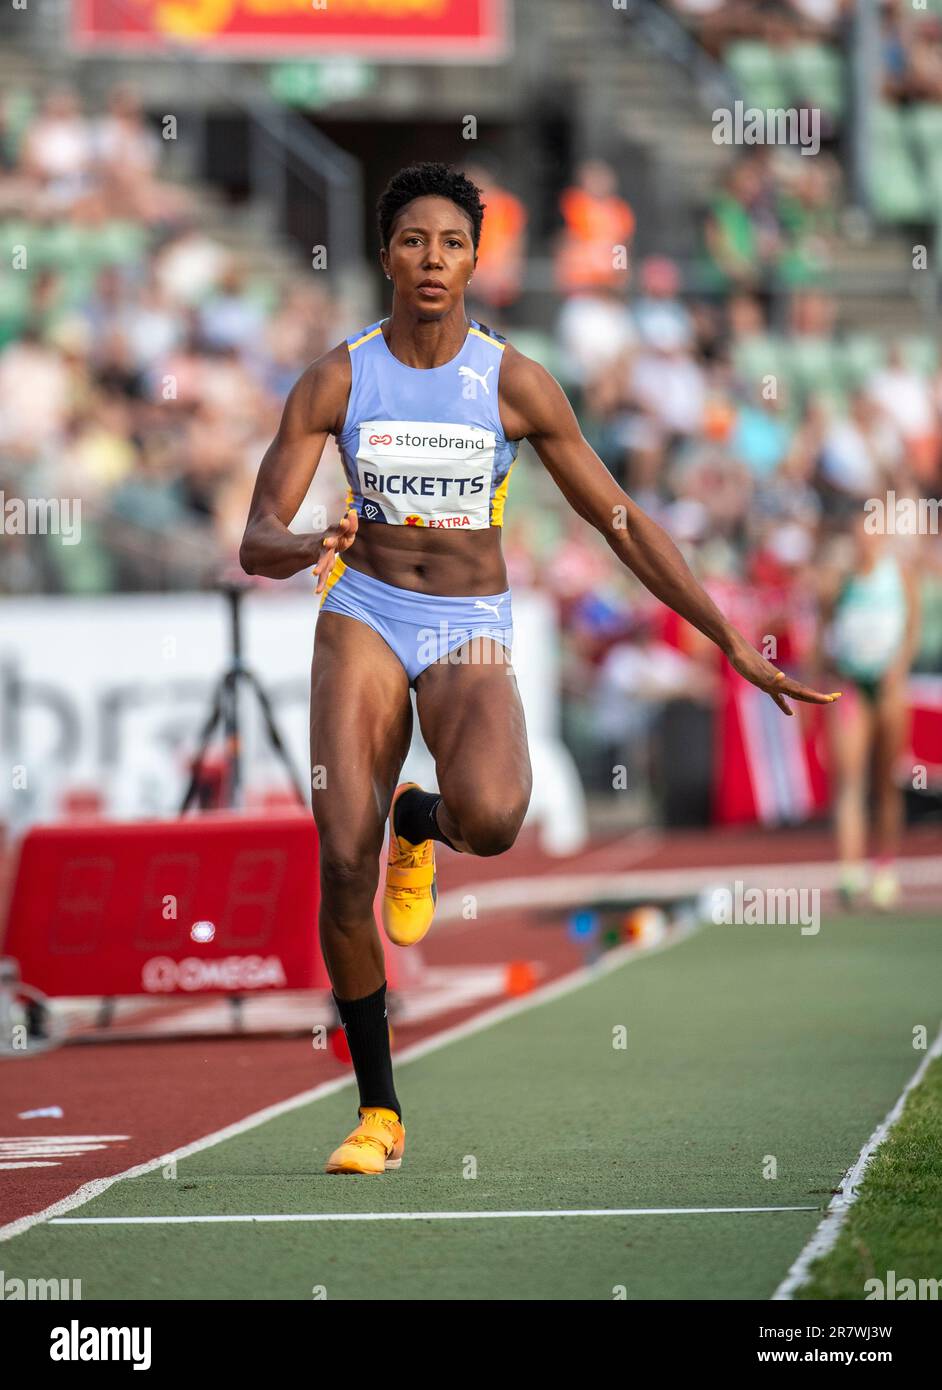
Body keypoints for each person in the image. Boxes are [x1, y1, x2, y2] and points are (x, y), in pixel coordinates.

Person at [239, 162, 841, 1175]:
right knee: (338, 858)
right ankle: (379, 1110)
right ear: (386, 253)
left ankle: (419, 822)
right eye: (414, 241)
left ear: (478, 259)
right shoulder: (337, 380)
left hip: (468, 621)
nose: (433, 259)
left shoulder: (513, 381)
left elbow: (623, 522)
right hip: (366, 610)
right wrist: (308, 545)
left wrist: (729, 638)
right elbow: (257, 534)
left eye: (453, 244)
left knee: (494, 816)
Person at [817, 517, 920, 910]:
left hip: (889, 686)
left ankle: (885, 869)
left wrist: (900, 666)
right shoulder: (839, 580)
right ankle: (849, 871)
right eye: (858, 532)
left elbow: (911, 626)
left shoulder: (899, 575)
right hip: (853, 686)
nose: (865, 539)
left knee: (886, 780)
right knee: (850, 776)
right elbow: (823, 633)